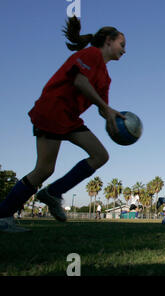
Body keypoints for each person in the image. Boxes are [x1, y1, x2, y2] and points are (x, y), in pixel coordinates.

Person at [0, 16, 126, 233]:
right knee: (44, 169)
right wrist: (106, 109)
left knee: (100, 155)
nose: (124, 50)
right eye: (121, 44)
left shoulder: (106, 77)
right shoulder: (90, 54)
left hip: (69, 118)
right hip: (52, 110)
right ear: (107, 41)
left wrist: (112, 120)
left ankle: (53, 193)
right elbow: (80, 81)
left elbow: (102, 106)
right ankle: (3, 216)